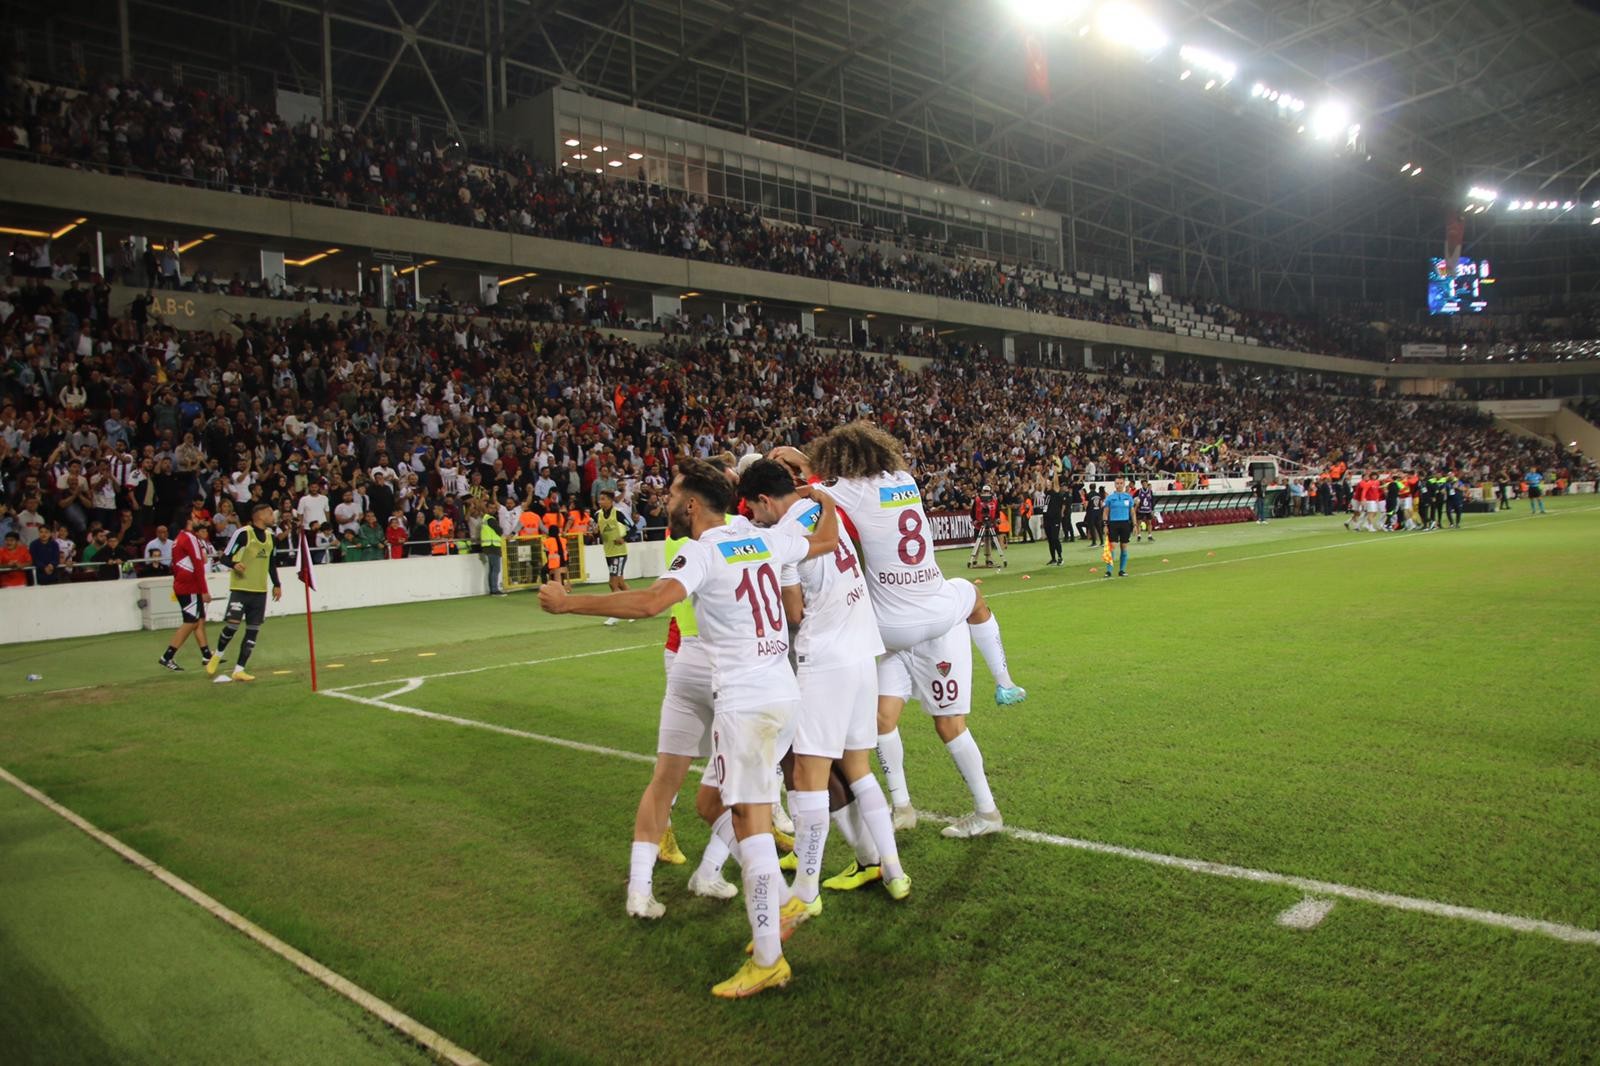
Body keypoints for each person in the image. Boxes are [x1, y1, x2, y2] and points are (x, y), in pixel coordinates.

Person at [540, 458, 839, 999]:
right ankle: (761, 925)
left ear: (693, 505)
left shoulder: (701, 552)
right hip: (783, 693)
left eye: (674, 494)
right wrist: (826, 504)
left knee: (750, 825)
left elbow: (653, 603)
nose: (667, 502)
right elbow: (824, 543)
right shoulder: (759, 538)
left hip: (746, 704)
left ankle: (770, 956)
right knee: (722, 810)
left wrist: (567, 605)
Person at [784, 422, 1025, 842]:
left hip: (892, 625)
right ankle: (1002, 686)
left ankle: (958, 808)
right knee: (968, 599)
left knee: (887, 714)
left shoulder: (848, 489)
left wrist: (794, 467)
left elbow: (813, 491)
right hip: (931, 616)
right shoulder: (904, 480)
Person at [739, 458, 909, 913]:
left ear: (764, 500)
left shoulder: (783, 534)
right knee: (858, 767)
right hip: (863, 650)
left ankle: (807, 892)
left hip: (826, 657)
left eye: (756, 509)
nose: (756, 518)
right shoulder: (820, 507)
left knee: (807, 777)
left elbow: (794, 614)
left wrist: (782, 578)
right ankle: (892, 870)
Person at [207, 503, 282, 683]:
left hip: (260, 591)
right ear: (260, 516)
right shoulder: (243, 533)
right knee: (232, 625)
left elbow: (271, 563)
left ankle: (239, 669)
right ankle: (217, 654)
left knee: (253, 631)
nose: (273, 516)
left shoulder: (271, 538)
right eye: (270, 513)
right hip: (241, 588)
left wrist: (277, 584)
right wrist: (234, 564)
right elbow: (225, 557)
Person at [160, 517, 214, 671]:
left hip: (184, 583)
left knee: (199, 620)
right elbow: (198, 564)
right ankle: (167, 656)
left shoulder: (178, 539)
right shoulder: (189, 538)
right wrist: (204, 590)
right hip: (189, 586)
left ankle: (206, 655)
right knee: (190, 621)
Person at [593, 489, 631, 624]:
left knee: (612, 583)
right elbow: (596, 533)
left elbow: (632, 527)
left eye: (603, 499)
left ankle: (617, 613)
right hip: (608, 551)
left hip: (619, 552)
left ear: (610, 500)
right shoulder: (597, 515)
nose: (600, 501)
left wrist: (624, 538)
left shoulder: (618, 513)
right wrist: (595, 533)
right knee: (620, 583)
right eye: (599, 499)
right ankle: (634, 609)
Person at [1103, 478, 1135, 578]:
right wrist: (1105, 525)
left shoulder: (1128, 497)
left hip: (1125, 523)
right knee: (1112, 547)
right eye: (1117, 483)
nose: (1119, 485)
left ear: (1124, 484)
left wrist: (1135, 525)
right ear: (1114, 484)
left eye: (1121, 483)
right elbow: (1105, 512)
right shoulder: (1110, 498)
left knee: (1124, 547)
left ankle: (1122, 570)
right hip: (1113, 524)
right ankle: (1109, 570)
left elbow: (1132, 512)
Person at [967, 485, 1004, 569]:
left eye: (987, 491)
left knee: (988, 541)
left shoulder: (994, 500)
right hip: (979, 524)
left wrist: (997, 519)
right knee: (978, 542)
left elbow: (997, 511)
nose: (986, 493)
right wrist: (974, 520)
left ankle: (988, 559)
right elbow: (972, 511)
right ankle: (974, 560)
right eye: (985, 491)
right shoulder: (977, 500)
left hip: (990, 523)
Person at [1042, 473, 1066, 566]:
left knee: (1055, 538)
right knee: (1050, 540)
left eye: (1048, 484)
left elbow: (1056, 483)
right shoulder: (1046, 494)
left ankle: (1060, 557)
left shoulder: (1056, 493)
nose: (1046, 485)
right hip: (1047, 519)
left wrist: (1054, 472)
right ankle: (1053, 558)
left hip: (1055, 519)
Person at [478, 512, 506, 595]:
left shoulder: (485, 519)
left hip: (488, 546)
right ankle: (494, 590)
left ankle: (492, 589)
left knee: (492, 569)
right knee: (496, 569)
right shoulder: (491, 519)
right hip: (493, 546)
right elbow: (499, 531)